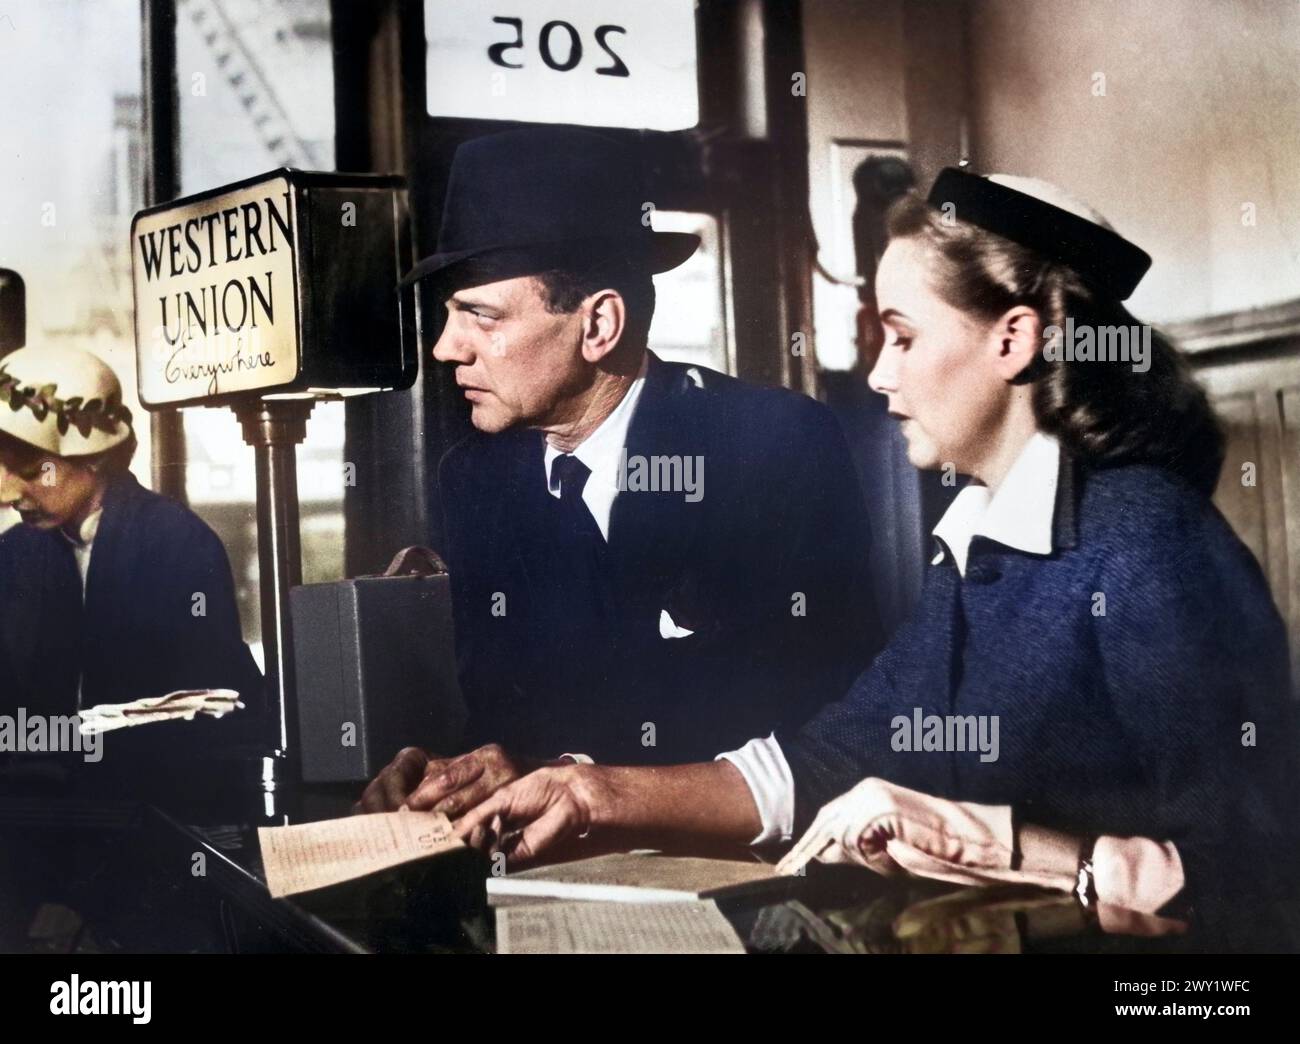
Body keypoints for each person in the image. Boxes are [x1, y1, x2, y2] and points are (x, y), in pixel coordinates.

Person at [447, 169, 1296, 917]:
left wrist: (993, 843)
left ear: (1014, 339)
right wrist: (594, 791)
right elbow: (833, 757)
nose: (881, 374)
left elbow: (1261, 873)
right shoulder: (978, 547)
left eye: (904, 336)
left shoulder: (1147, 539)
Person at [355, 127, 882, 813]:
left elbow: (815, 714)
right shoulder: (477, 480)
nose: (446, 347)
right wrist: (447, 772)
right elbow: (499, 714)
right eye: (450, 314)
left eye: (479, 316)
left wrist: (569, 771)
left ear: (599, 325)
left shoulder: (771, 447)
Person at [0, 345, 262, 728]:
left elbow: (206, 704)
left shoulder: (178, 545)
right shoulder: (13, 554)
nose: (6, 494)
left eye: (31, 470)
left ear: (95, 457)